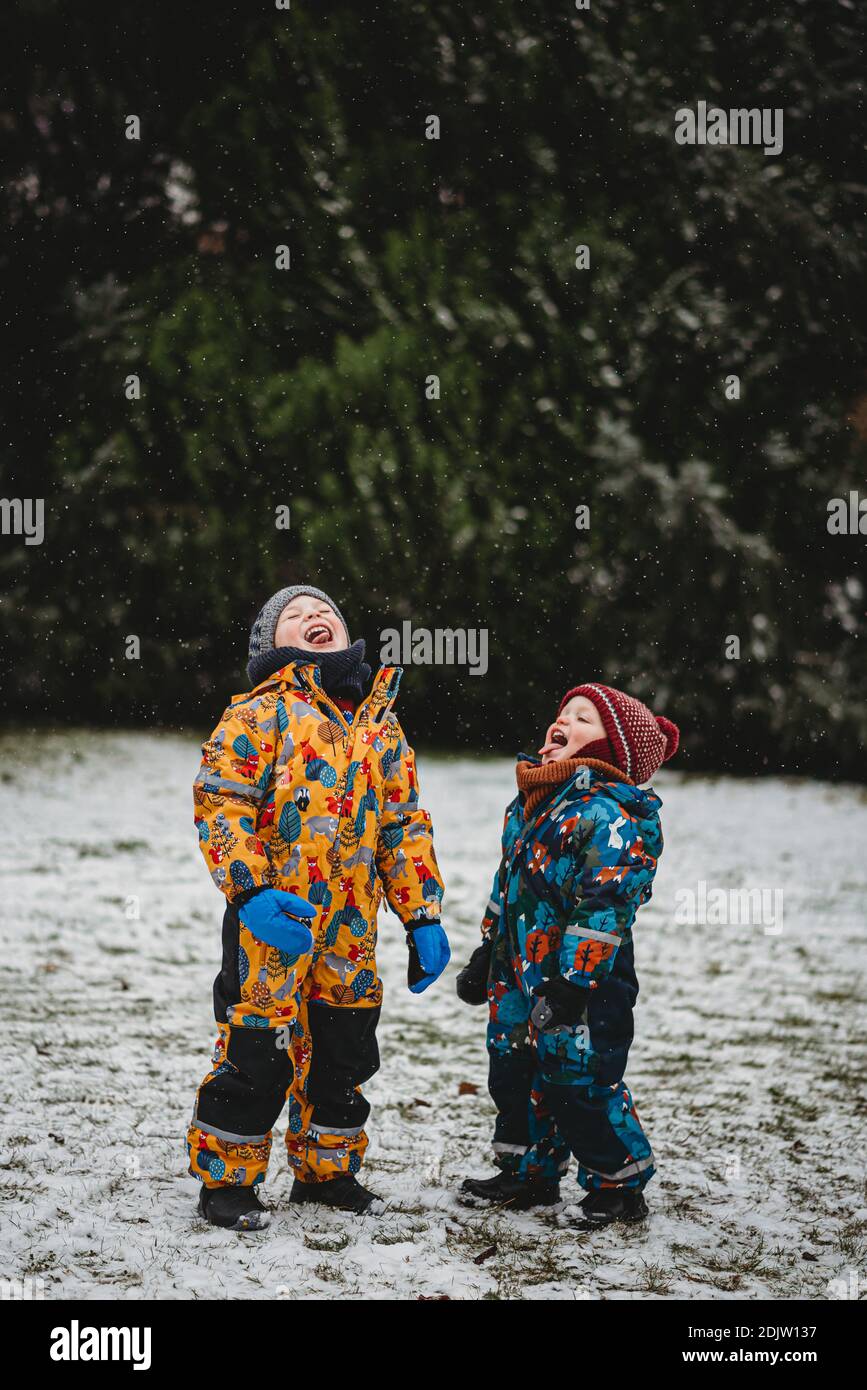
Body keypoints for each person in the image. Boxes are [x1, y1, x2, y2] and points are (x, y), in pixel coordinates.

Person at [188, 584, 449, 1229]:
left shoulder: (380, 725)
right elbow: (222, 802)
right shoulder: (256, 714)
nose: (315, 618)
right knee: (258, 1049)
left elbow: (402, 824)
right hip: (271, 920)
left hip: (351, 928)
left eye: (325, 612)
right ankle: (228, 1180)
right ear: (269, 647)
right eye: (295, 617)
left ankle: (328, 1173)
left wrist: (422, 915)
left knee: (345, 1051)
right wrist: (247, 890)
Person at [456, 682, 679, 1229]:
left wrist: (576, 981)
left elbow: (607, 902)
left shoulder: (610, 815)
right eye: (562, 713)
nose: (563, 722)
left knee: (577, 1081)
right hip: (518, 970)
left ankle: (618, 1183)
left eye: (583, 718)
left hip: (584, 980)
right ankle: (528, 1174)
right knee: (512, 1071)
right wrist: (488, 949)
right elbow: (507, 886)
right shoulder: (533, 804)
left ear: (611, 751)